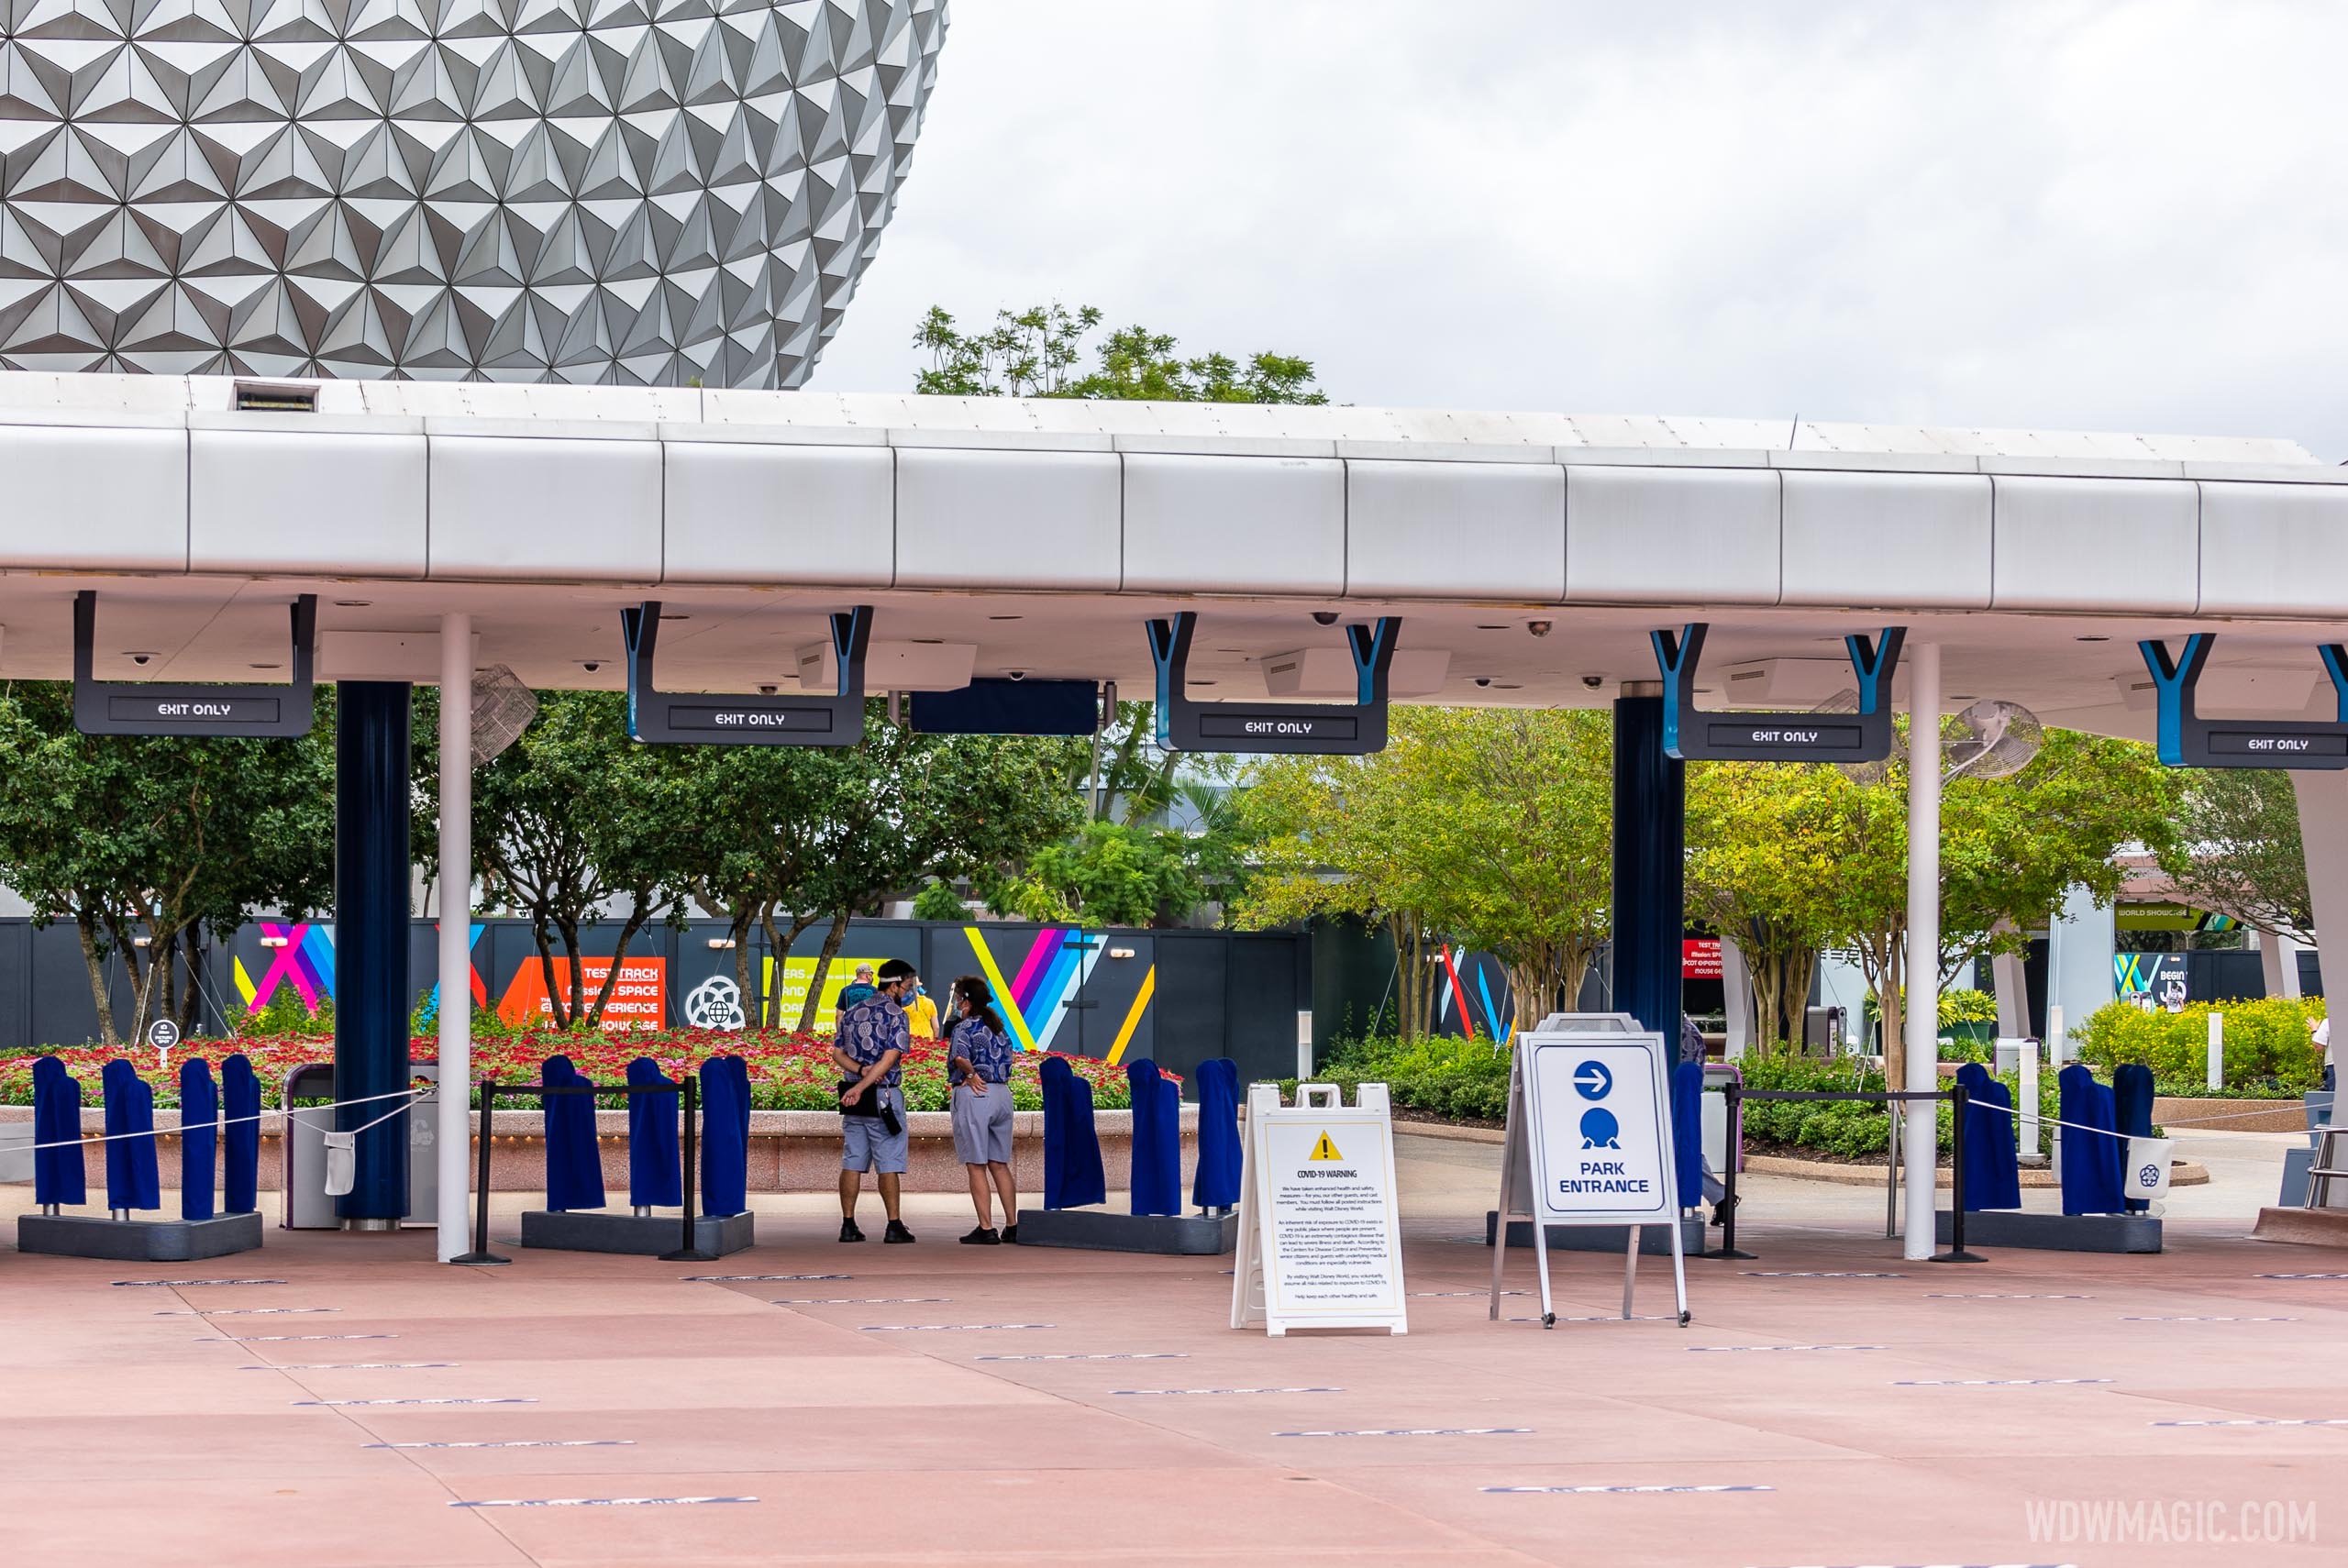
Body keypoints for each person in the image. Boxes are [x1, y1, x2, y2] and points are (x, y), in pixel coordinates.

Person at [832, 957, 917, 1243]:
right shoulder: (896, 1015)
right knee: (889, 1161)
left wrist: (857, 1076)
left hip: (853, 1096)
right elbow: (890, 1057)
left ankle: (848, 1224)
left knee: (853, 1160)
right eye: (907, 986)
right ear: (894, 985)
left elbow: (837, 1053)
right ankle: (894, 1225)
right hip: (883, 1097)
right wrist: (866, 1083)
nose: (909, 992)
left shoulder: (853, 1012)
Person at [946, 974, 1019, 1244]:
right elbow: (1009, 1059)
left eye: (957, 998)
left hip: (976, 1094)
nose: (955, 1003)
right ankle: (1012, 1225)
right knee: (999, 1164)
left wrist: (971, 1074)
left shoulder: (964, 1028)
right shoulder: (998, 1027)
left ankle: (986, 1228)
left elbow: (960, 1056)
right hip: (1002, 1094)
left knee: (976, 1165)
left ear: (966, 1001)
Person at [905, 979, 941, 1043]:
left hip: (910, 1037)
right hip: (927, 1037)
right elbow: (936, 1027)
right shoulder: (930, 1002)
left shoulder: (904, 1004)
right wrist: (935, 1040)